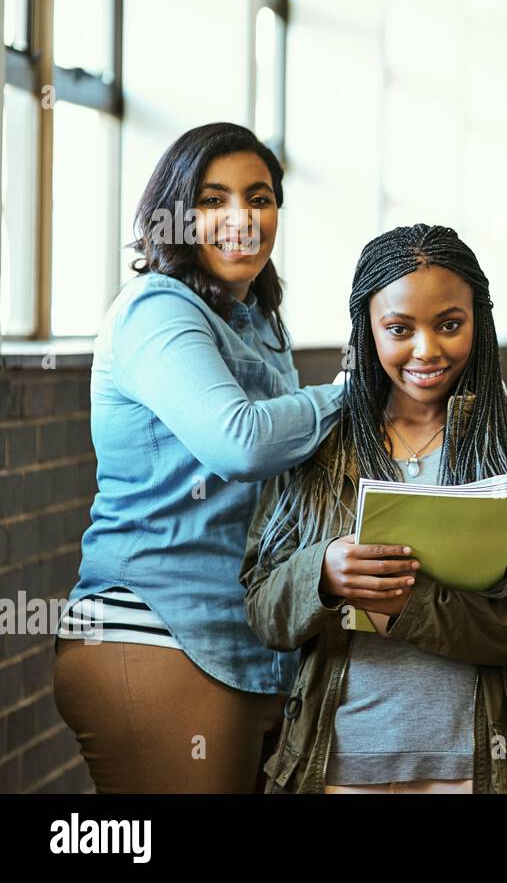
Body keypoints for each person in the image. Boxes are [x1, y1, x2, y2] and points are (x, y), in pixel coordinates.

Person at [53, 123, 346, 793]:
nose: (242, 218)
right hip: (155, 635)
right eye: (213, 200)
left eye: (260, 196)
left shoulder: (261, 323)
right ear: (175, 213)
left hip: (240, 643)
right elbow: (240, 441)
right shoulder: (157, 312)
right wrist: (346, 395)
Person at [242, 224, 507, 794]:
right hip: (338, 764)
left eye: (450, 325)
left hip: (478, 766)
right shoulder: (320, 445)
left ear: (479, 323)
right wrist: (321, 571)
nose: (427, 350)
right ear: (368, 331)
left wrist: (413, 608)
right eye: (399, 329)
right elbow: (262, 607)